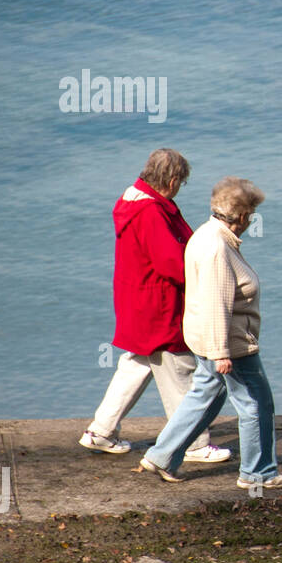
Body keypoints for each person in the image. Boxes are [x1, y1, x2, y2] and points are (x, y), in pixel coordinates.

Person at [139, 178, 282, 489]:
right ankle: (257, 473)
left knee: (206, 394)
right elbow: (216, 300)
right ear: (243, 216)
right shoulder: (217, 247)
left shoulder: (205, 233)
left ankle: (162, 455)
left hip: (203, 337)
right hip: (229, 343)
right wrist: (221, 351)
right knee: (256, 403)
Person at [80, 149, 229, 463]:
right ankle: (194, 443)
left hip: (136, 299)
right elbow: (171, 262)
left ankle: (101, 431)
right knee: (181, 370)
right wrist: (206, 272)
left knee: (136, 365)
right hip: (159, 304)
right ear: (173, 180)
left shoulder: (134, 202)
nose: (180, 188)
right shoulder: (151, 211)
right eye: (181, 183)